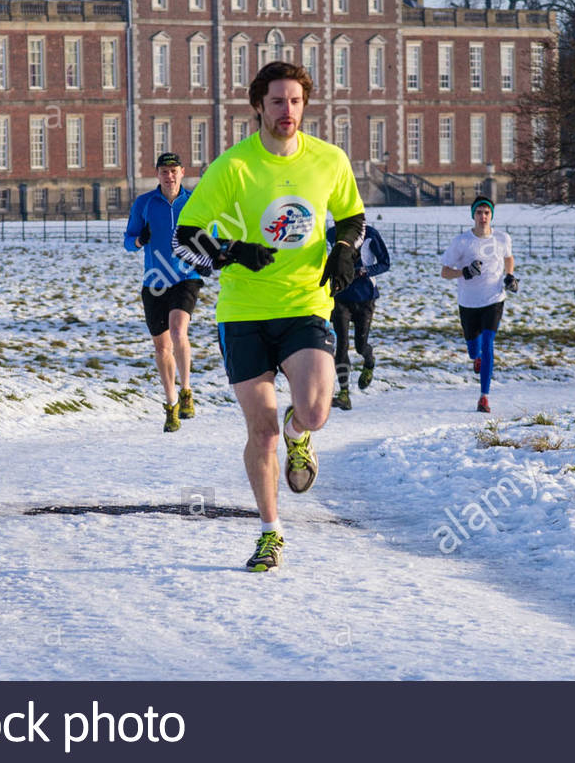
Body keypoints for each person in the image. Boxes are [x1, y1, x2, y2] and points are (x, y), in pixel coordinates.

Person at [173, 62, 364, 573]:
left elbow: (352, 215)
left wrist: (344, 247)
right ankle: (270, 533)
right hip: (245, 315)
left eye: (296, 101)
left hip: (306, 304)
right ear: (258, 105)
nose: (288, 112)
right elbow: (185, 236)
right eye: (277, 102)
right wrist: (231, 251)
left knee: (317, 412)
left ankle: (301, 436)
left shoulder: (328, 159)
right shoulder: (233, 166)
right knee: (261, 433)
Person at [123, 152, 205, 432]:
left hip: (186, 276)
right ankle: (170, 405)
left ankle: (186, 390)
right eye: (164, 171)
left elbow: (212, 232)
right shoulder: (144, 204)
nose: (169, 176)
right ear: (157, 174)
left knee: (179, 330)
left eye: (174, 171)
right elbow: (127, 241)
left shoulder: (196, 201)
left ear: (183, 172)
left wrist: (206, 258)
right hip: (154, 282)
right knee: (161, 347)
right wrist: (138, 240)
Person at [440, 196, 518, 414]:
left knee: (488, 345)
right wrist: (463, 272)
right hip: (468, 302)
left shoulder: (502, 238)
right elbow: (444, 272)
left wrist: (510, 276)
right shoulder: (462, 242)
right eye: (479, 213)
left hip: (494, 299)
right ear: (473, 215)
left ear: (491, 215)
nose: (483, 217)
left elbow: (508, 258)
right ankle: (477, 359)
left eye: (486, 212)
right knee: (474, 350)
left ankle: (484, 397)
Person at [326, 221, 390, 410]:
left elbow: (385, 263)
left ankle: (369, 362)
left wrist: (366, 270)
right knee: (342, 345)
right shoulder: (331, 234)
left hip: (365, 298)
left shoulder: (370, 234)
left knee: (361, 345)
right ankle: (344, 393)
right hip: (340, 297)